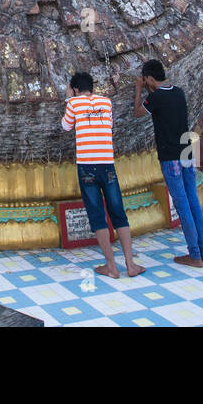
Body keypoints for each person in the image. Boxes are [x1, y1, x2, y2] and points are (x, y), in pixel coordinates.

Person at [61, 71, 144, 278]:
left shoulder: (73, 104)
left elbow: (65, 126)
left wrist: (68, 97)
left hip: (87, 166)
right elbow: (110, 125)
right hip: (107, 163)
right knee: (118, 212)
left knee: (98, 215)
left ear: (75, 89)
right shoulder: (106, 102)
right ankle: (130, 264)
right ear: (93, 87)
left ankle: (111, 266)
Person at [135, 58, 203, 268]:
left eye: (146, 80)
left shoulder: (155, 97)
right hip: (186, 153)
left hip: (170, 157)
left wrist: (139, 89)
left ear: (150, 78)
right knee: (193, 201)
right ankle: (202, 253)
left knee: (182, 205)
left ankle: (194, 254)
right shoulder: (178, 92)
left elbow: (137, 112)